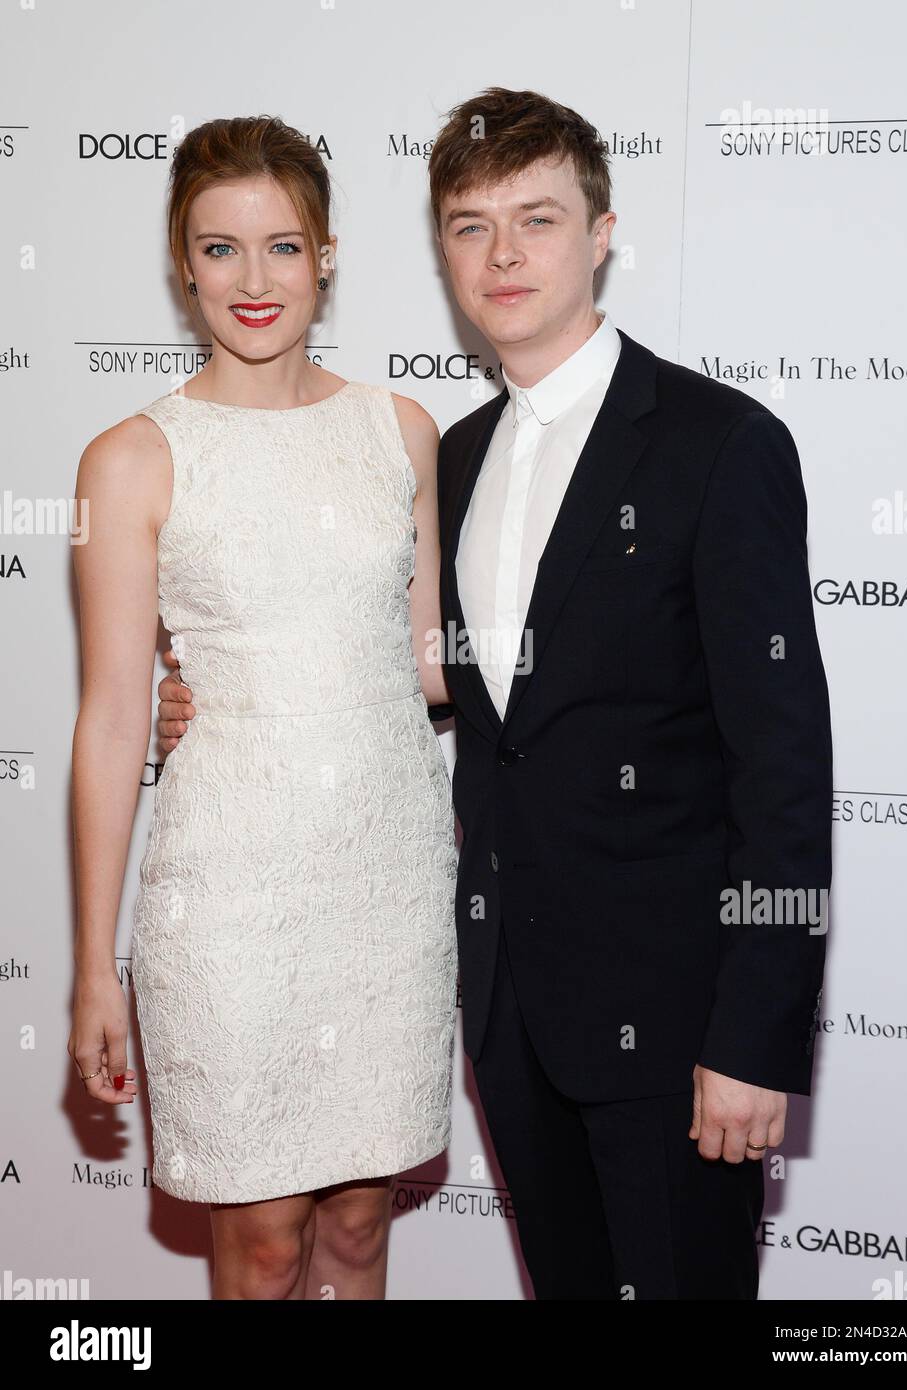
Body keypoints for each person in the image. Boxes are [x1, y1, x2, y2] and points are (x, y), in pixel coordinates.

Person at [158, 88, 833, 1300]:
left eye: (538, 218)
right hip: (508, 1011)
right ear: (441, 254)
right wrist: (222, 697)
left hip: (679, 1028)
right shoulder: (447, 457)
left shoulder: (718, 444)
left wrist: (754, 1040)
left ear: (603, 231)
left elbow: (783, 764)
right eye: (471, 226)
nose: (506, 254)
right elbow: (428, 680)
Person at [68, 115, 457, 1301]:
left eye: (282, 246)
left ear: (328, 255)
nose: (253, 279)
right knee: (265, 1241)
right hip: (230, 890)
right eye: (220, 248)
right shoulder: (133, 457)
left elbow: (429, 664)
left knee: (355, 1229)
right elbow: (110, 719)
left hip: (387, 881)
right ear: (182, 262)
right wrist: (95, 965)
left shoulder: (400, 431)